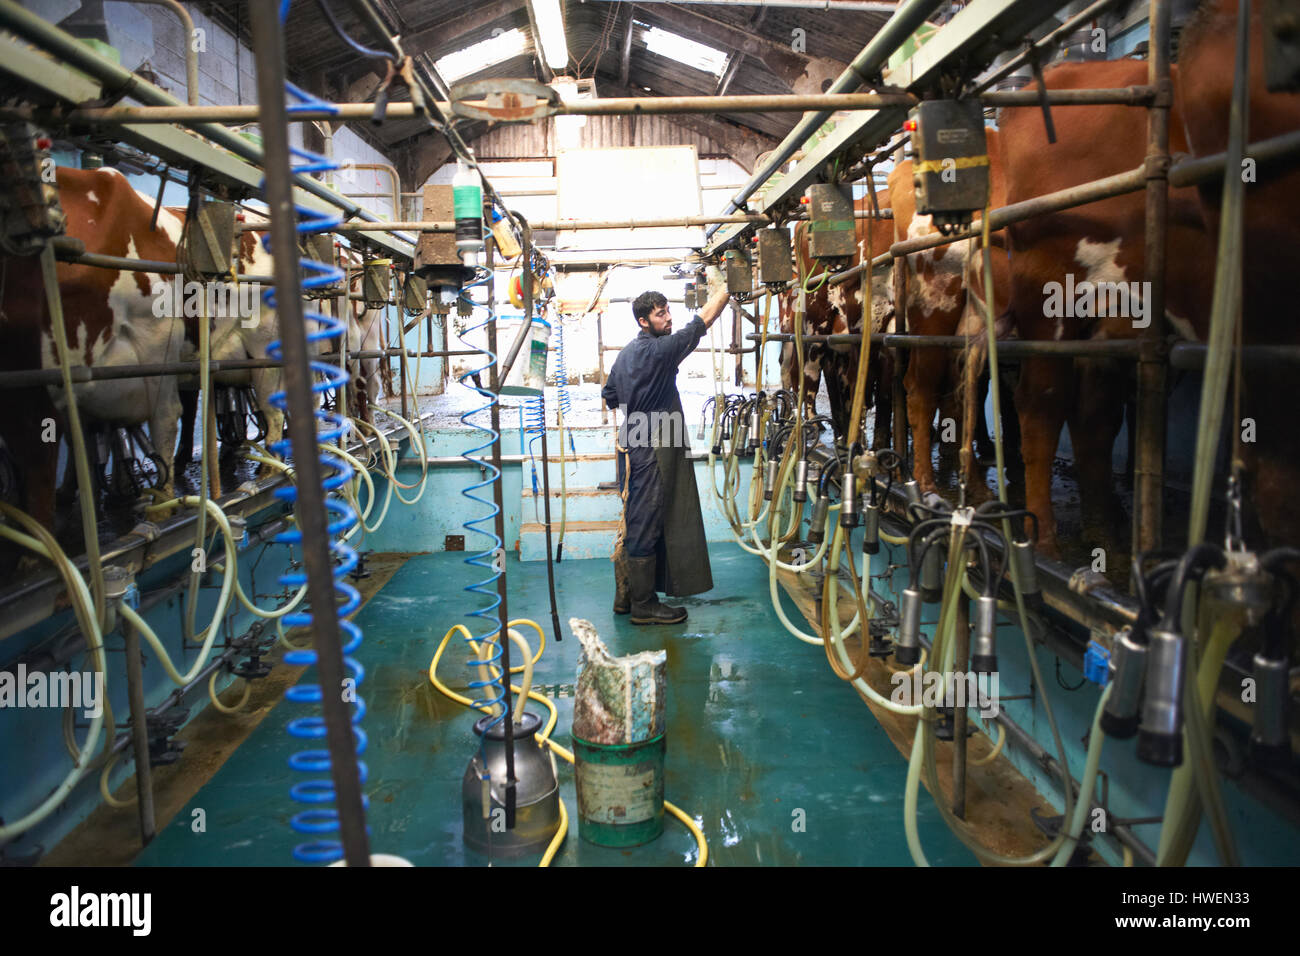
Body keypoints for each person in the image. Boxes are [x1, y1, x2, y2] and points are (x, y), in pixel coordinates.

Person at [602, 279, 732, 625]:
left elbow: (610, 395)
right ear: (644, 321)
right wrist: (730, 287)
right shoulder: (660, 351)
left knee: (633, 520)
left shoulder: (626, 354)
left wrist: (640, 401)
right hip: (654, 445)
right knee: (646, 521)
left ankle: (626, 595)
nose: (669, 318)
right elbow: (702, 322)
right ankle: (644, 606)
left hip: (630, 438)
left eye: (668, 310)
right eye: (661, 314)